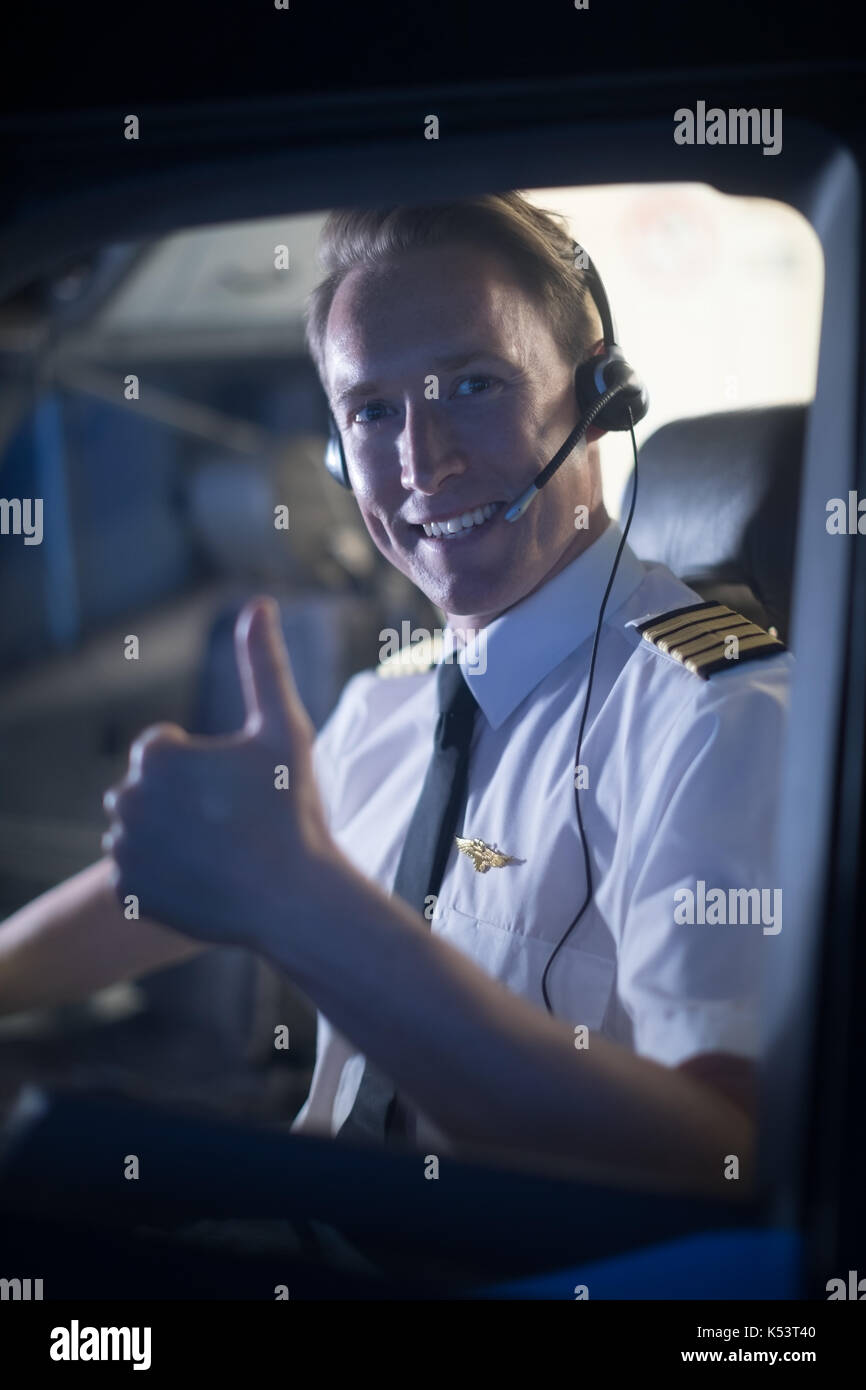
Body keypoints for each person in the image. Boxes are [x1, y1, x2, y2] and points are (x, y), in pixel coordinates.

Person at [0, 192, 790, 1196]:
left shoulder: (718, 720)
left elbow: (724, 1157)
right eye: (372, 411)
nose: (422, 461)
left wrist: (304, 912)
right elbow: (181, 883)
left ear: (597, 394)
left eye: (470, 384)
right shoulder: (391, 701)